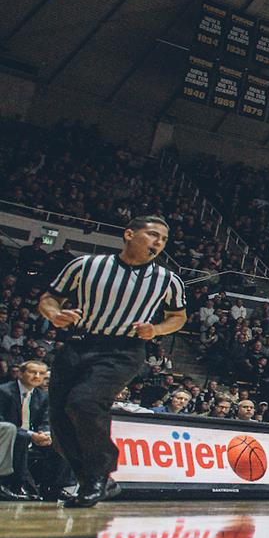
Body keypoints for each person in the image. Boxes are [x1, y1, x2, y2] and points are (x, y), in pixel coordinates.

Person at [37, 215, 187, 507]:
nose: (159, 243)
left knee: (84, 402)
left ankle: (98, 474)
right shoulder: (86, 265)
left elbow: (178, 318)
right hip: (79, 343)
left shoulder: (168, 280)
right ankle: (97, 481)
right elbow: (49, 298)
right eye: (153, 235)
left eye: (164, 240)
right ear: (129, 234)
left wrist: (155, 329)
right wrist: (55, 315)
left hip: (123, 349)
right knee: (58, 419)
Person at [0, 361, 56, 500]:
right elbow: (2, 422)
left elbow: (45, 421)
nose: (37, 376)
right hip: (9, 436)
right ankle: (17, 485)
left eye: (41, 373)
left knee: (61, 439)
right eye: (33, 372)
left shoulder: (43, 396)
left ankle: (53, 487)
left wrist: (45, 433)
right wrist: (31, 435)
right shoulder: (4, 391)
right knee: (21, 437)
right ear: (20, 373)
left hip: (31, 436)